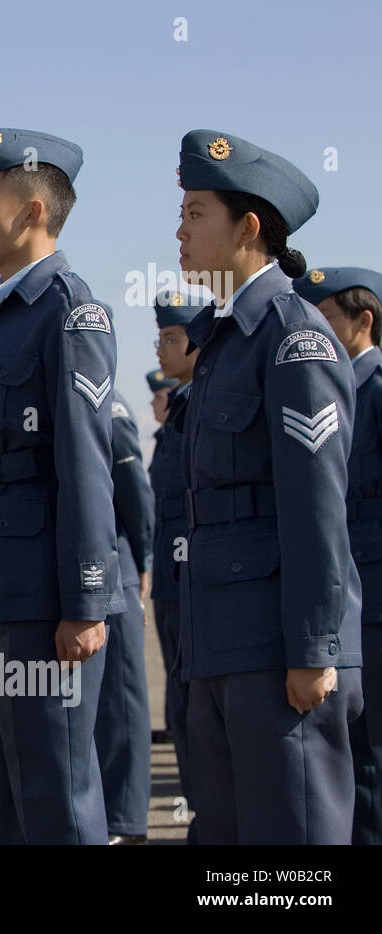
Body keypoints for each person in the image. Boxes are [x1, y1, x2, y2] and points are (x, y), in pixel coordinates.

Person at [175, 129, 362, 844]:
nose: (180, 231)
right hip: (219, 639)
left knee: (295, 845)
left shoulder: (293, 337)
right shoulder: (224, 339)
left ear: (248, 227)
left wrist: (314, 645)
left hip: (278, 647)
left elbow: (316, 506)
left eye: (196, 213)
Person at [0, 127, 120, 844]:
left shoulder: (69, 313)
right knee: (6, 802)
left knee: (55, 797)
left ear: (31, 212)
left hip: (42, 601)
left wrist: (84, 601)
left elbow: (84, 465)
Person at [292, 265, 382, 844]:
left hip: (375, 596)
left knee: (372, 756)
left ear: (363, 322)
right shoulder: (339, 385)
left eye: (325, 319)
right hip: (349, 596)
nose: (315, 331)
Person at [146, 287, 209, 829]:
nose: (161, 348)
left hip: (203, 579)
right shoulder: (180, 412)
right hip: (173, 579)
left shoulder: (203, 403)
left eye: (172, 336)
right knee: (184, 704)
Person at [93, 387, 153, 844]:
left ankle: (125, 820)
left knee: (121, 697)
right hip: (83, 568)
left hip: (117, 564)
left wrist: (145, 561)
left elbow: (134, 495)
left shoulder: (110, 407)